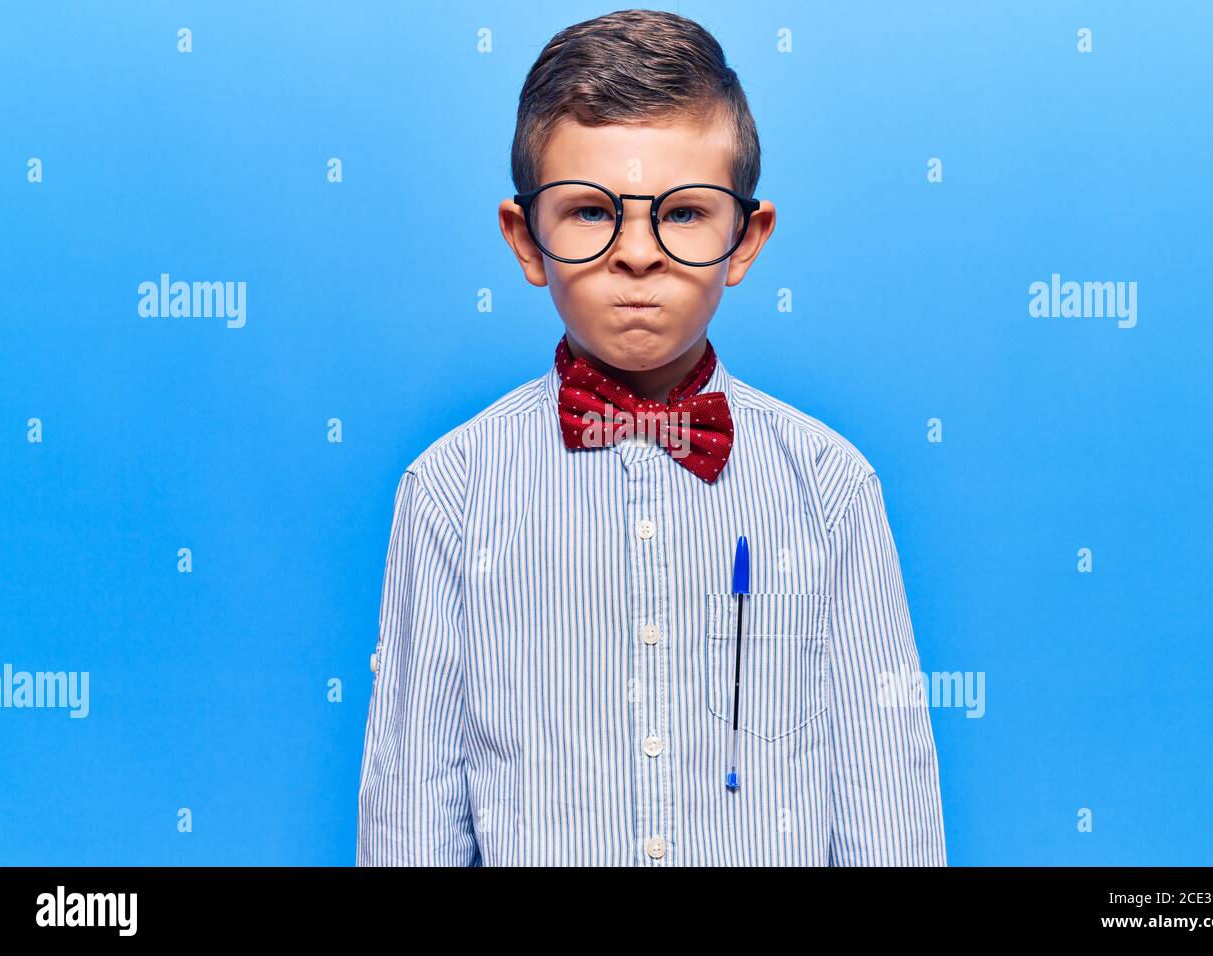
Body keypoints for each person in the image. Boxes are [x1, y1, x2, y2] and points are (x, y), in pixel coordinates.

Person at [356, 8, 946, 866]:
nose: (638, 254)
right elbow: (412, 810)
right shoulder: (451, 492)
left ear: (746, 238)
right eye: (592, 212)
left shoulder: (830, 487)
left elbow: (888, 801)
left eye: (686, 213)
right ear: (526, 239)